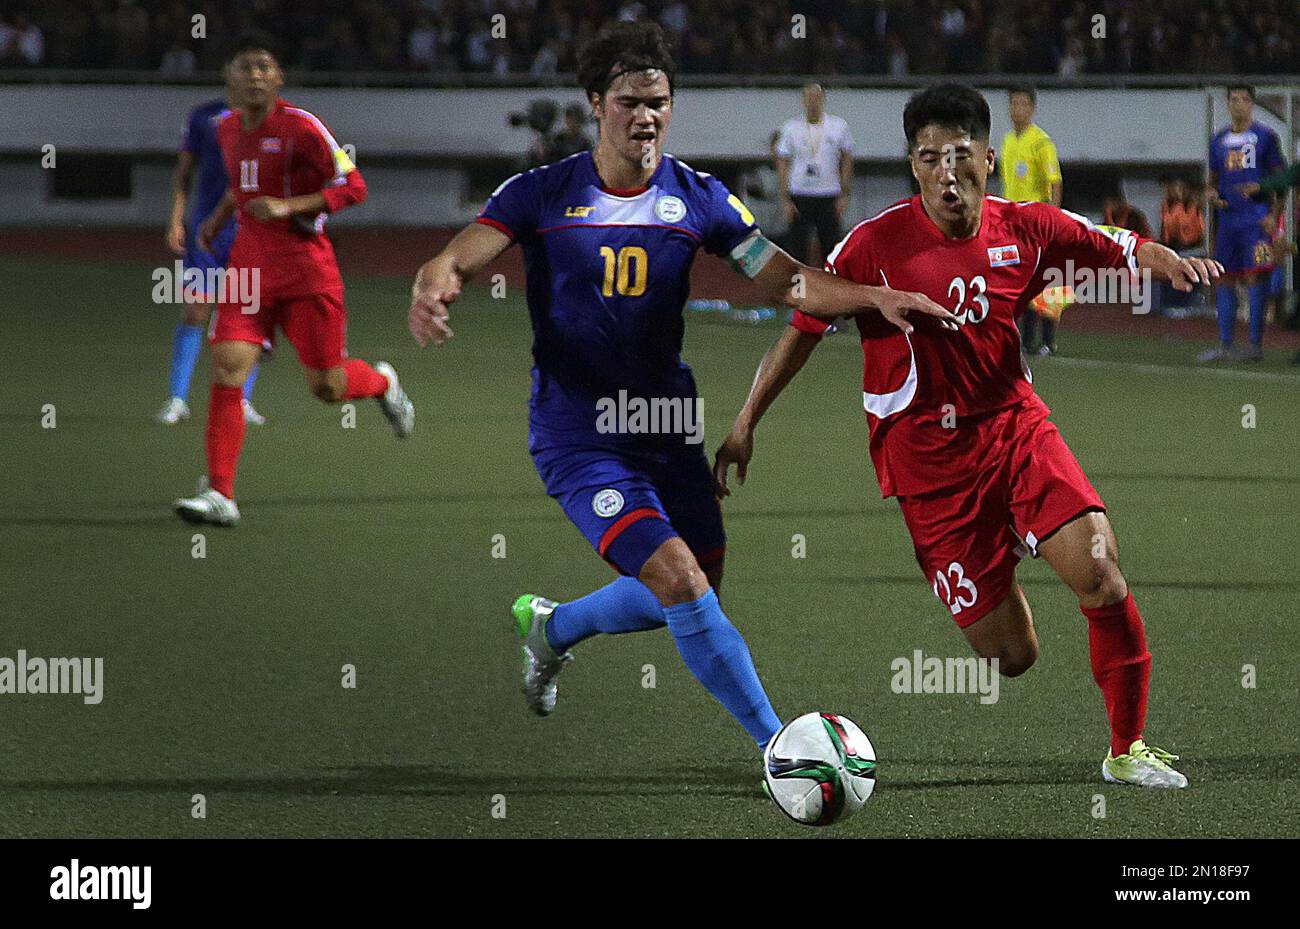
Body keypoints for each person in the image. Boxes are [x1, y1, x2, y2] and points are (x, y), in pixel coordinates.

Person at [407, 22, 956, 754]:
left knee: (694, 590)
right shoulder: (543, 192)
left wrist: (870, 297)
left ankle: (554, 626)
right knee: (681, 580)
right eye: (630, 100)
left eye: (659, 101)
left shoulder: (699, 199)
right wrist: (433, 285)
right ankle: (782, 750)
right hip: (579, 436)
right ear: (595, 103)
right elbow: (459, 255)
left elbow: (789, 278)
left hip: (666, 428)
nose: (647, 116)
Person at [715, 83, 1223, 788]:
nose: (946, 172)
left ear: (989, 156)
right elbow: (801, 330)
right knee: (1012, 655)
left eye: (960, 156)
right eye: (929, 158)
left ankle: (1126, 748)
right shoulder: (871, 246)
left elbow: (1108, 240)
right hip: (930, 470)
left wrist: (1164, 257)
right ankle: (1007, 546)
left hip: (1015, 432)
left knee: (1102, 574)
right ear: (912, 164)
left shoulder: (1025, 227)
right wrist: (744, 423)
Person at [173, 37, 414, 527]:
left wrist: (290, 206)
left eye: (266, 66)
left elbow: (355, 188)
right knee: (227, 369)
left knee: (327, 386)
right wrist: (220, 217)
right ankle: (221, 493)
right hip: (248, 272)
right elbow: (244, 188)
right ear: (230, 79)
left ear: (279, 79)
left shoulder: (303, 127)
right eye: (247, 66)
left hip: (307, 273)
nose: (257, 75)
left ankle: (382, 383)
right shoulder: (224, 129)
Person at [157, 79, 265, 427]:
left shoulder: (270, 118)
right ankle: (177, 398)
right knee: (195, 309)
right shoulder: (203, 117)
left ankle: (243, 400)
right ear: (231, 72)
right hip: (207, 231)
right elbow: (184, 173)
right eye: (243, 66)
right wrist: (176, 219)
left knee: (248, 317)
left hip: (250, 232)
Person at [1201, 84, 1285, 362]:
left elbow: (1280, 180)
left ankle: (1254, 345)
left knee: (1254, 276)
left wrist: (1274, 214)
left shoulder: (1266, 137)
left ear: (1252, 104)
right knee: (1223, 278)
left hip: (1256, 220)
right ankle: (1225, 344)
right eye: (1233, 99)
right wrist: (1211, 194)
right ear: (1227, 104)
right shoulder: (1218, 140)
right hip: (1228, 221)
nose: (1238, 104)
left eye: (1244, 100)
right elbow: (1213, 181)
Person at [1001, 84, 1063, 355]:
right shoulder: (1007, 141)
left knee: (1046, 280)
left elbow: (1054, 182)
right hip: (1011, 221)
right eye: (1014, 104)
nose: (1018, 109)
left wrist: (1053, 220)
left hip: (1036, 221)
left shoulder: (1041, 142)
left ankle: (1048, 340)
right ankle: (1026, 340)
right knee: (1019, 280)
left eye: (1023, 104)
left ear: (1033, 108)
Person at [775, 83, 855, 266]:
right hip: (799, 194)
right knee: (797, 249)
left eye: (816, 98)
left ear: (823, 100)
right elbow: (782, 163)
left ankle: (831, 290)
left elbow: (847, 160)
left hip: (829, 194)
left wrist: (844, 195)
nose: (813, 102)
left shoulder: (838, 126)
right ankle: (798, 290)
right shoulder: (790, 128)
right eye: (808, 98)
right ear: (803, 101)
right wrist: (786, 199)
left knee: (831, 248)